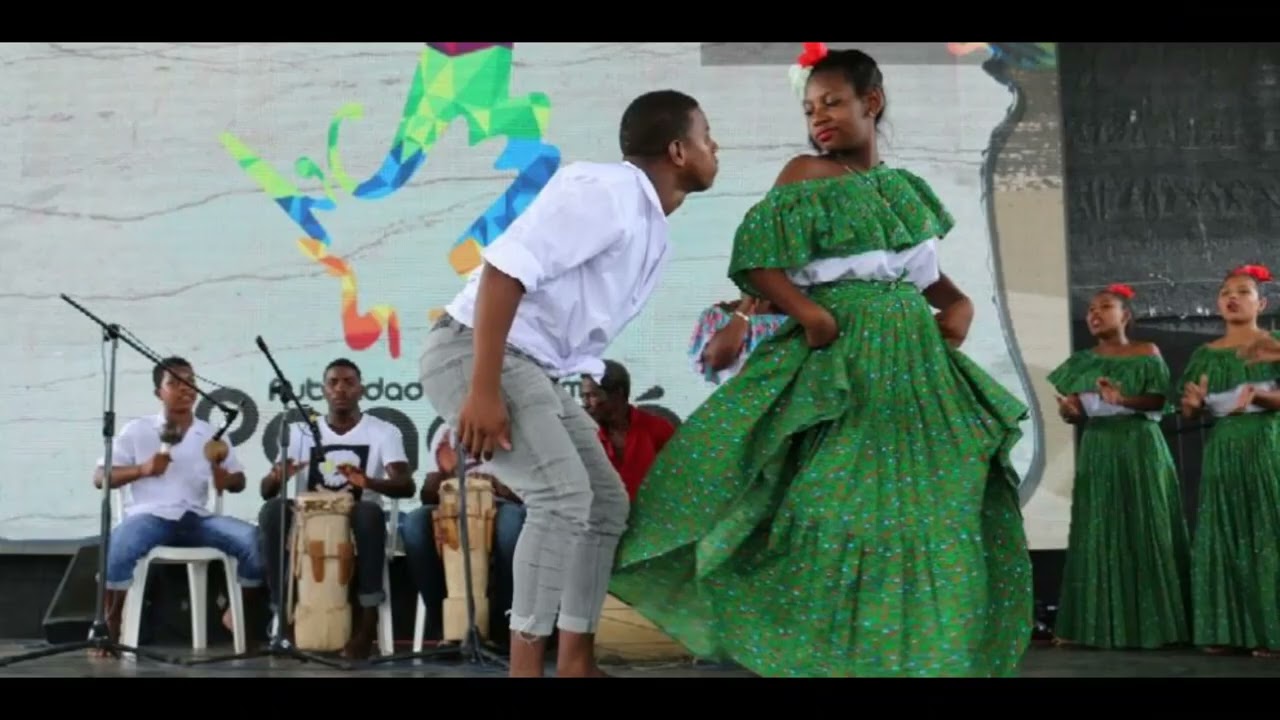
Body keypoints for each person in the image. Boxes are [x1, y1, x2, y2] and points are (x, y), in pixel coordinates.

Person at [608, 46, 1034, 678]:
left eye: (832, 102)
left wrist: (963, 307)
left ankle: (912, 656)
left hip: (913, 374)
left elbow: (932, 285)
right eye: (810, 108)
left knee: (922, 513)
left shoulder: (905, 192)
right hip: (842, 367)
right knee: (828, 506)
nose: (819, 119)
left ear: (873, 102)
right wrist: (806, 313)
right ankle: (813, 652)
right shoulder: (804, 174)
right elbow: (757, 256)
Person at [417, 88, 719, 678]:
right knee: (561, 499)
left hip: (531, 367)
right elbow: (505, 268)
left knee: (605, 503)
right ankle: (526, 669)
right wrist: (482, 389)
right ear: (679, 150)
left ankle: (576, 661)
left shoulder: (647, 221)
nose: (717, 148)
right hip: (481, 351)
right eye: (708, 137)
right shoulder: (607, 191)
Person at [1046, 283, 1191, 650]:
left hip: (1140, 444)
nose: (1094, 314)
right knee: (1099, 527)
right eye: (1091, 309)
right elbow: (1075, 412)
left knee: (1148, 524)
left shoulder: (1147, 352)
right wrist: (1069, 412)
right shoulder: (1081, 361)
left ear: (1125, 316)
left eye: (1104, 307)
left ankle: (1160, 625)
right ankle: (1094, 625)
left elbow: (1160, 399)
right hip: (1099, 447)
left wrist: (1122, 398)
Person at [93, 356, 265, 656]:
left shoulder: (211, 434)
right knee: (120, 544)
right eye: (175, 383)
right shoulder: (138, 430)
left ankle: (238, 615)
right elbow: (100, 478)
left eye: (191, 382)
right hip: (150, 516)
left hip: (196, 519)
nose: (185, 388)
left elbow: (239, 482)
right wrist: (142, 470)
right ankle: (111, 623)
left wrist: (226, 479)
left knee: (253, 541)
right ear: (159, 392)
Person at [257, 358, 416, 659]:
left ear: (361, 390)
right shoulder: (301, 431)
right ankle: (284, 619)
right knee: (273, 511)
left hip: (358, 514)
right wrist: (278, 477)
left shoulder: (384, 432)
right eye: (333, 383)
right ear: (323, 391)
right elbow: (265, 492)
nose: (340, 388)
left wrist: (367, 481)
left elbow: (406, 485)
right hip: (309, 517)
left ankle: (367, 624)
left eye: (348, 382)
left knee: (368, 512)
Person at [1179, 264, 1280, 658]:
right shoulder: (1203, 355)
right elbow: (1192, 410)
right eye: (1226, 293)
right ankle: (1226, 628)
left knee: (1267, 529)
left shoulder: (1274, 344)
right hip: (1223, 445)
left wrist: (1258, 398)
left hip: (1265, 440)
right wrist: (1193, 406)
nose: (1233, 298)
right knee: (1224, 529)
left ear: (1262, 302)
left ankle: (1271, 631)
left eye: (1243, 291)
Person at [399, 423, 526, 646]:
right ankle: (444, 624)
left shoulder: (513, 428)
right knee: (414, 524)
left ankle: (502, 626)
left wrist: (499, 486)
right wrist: (447, 472)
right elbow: (427, 495)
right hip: (452, 508)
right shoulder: (446, 432)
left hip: (502, 505)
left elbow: (533, 490)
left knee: (511, 528)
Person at [580, 359, 675, 502]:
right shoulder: (583, 436)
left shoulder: (658, 429)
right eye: (583, 396)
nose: (585, 404)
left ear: (618, 393)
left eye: (593, 395)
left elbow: (678, 480)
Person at [688, 294, 787, 385]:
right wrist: (746, 307)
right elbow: (715, 360)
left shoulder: (793, 320)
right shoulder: (718, 316)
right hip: (739, 399)